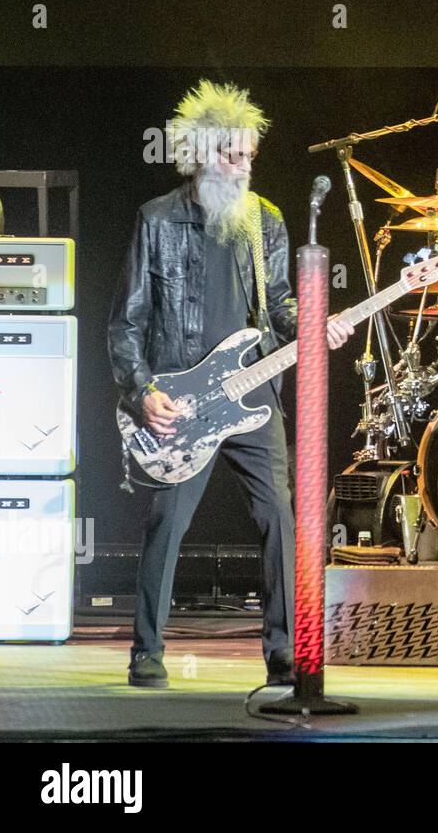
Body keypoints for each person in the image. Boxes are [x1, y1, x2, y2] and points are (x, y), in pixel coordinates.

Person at [109, 80, 354, 689]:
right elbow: (126, 321)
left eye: (249, 157)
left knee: (281, 516)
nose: (244, 167)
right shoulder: (157, 220)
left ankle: (285, 654)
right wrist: (142, 392)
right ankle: (147, 651)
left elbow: (278, 306)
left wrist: (318, 324)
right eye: (232, 156)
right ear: (199, 154)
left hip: (252, 394)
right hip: (181, 397)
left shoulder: (262, 219)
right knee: (167, 520)